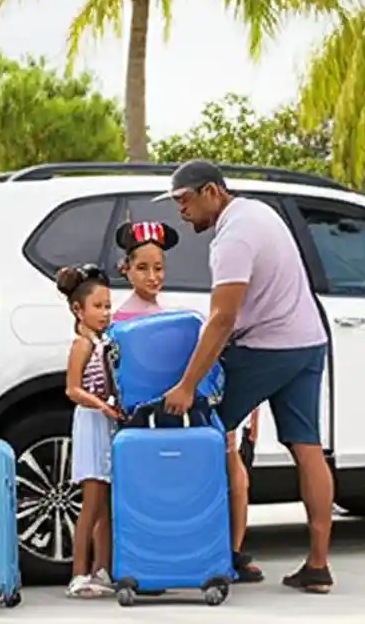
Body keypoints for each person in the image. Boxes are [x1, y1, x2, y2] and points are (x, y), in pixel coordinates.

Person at [159, 159, 335, 594]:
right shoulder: (259, 212)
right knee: (307, 447)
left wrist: (186, 385)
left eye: (185, 200)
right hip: (307, 341)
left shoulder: (232, 238)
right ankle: (317, 565)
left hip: (268, 347)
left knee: (204, 428)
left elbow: (222, 319)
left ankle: (214, 554)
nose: (180, 211)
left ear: (212, 192)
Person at [110, 219, 264, 584]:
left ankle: (231, 553)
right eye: (143, 268)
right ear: (125, 269)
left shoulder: (175, 317)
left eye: (159, 268)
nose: (152, 277)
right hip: (150, 423)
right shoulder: (121, 321)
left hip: (191, 415)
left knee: (236, 476)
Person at [57, 263, 119, 598]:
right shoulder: (81, 345)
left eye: (108, 306)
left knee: (105, 502)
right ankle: (79, 572)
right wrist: (102, 405)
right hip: (91, 421)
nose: (105, 313)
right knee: (91, 502)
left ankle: (103, 569)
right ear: (78, 309)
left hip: (105, 418)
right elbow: (72, 389)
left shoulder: (102, 341)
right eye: (98, 306)